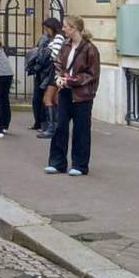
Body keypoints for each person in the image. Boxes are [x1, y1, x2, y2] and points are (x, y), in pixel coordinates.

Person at [45, 15, 100, 176]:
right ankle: (57, 162)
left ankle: (80, 165)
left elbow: (93, 74)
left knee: (81, 129)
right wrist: (59, 77)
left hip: (82, 95)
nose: (63, 29)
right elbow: (58, 64)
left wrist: (72, 80)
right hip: (65, 92)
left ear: (74, 28)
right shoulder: (65, 46)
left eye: (65, 26)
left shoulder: (90, 49)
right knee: (60, 126)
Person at [35, 18, 65, 139]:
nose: (45, 31)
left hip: (54, 71)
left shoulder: (58, 38)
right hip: (56, 71)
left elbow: (54, 55)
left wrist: (43, 51)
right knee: (55, 100)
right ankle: (56, 127)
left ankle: (52, 128)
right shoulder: (57, 38)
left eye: (47, 28)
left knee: (47, 99)